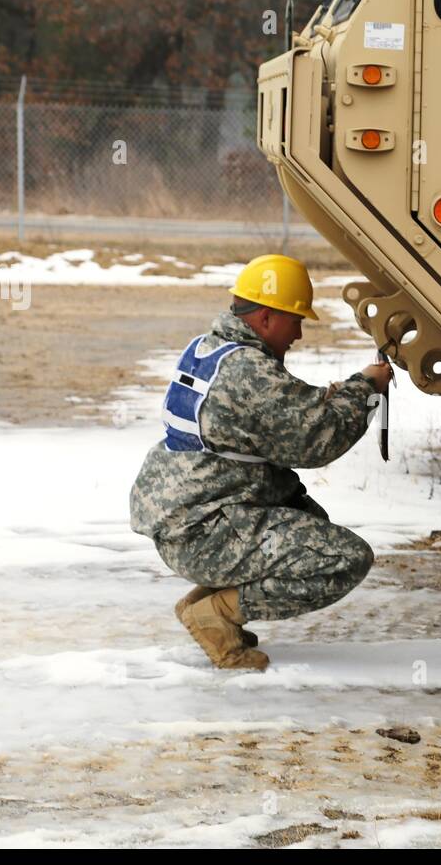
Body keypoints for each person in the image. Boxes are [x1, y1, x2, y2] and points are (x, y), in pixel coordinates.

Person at [130, 254, 392, 671]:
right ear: (268, 318)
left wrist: (353, 387)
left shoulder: (213, 349)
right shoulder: (249, 370)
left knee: (306, 520)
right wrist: (366, 389)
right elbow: (315, 439)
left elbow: (292, 409)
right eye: (296, 321)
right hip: (203, 532)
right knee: (343, 557)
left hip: (190, 522)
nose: (300, 334)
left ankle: (208, 604)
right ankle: (216, 614)